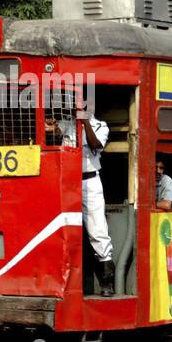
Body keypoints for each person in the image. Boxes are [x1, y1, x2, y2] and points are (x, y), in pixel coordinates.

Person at [48, 98, 115, 295]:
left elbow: (95, 145)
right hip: (68, 180)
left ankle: (106, 282)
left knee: (97, 229)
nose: (80, 109)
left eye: (84, 107)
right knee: (64, 227)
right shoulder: (67, 123)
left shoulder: (100, 126)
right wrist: (51, 128)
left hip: (90, 181)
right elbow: (54, 136)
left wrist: (85, 122)